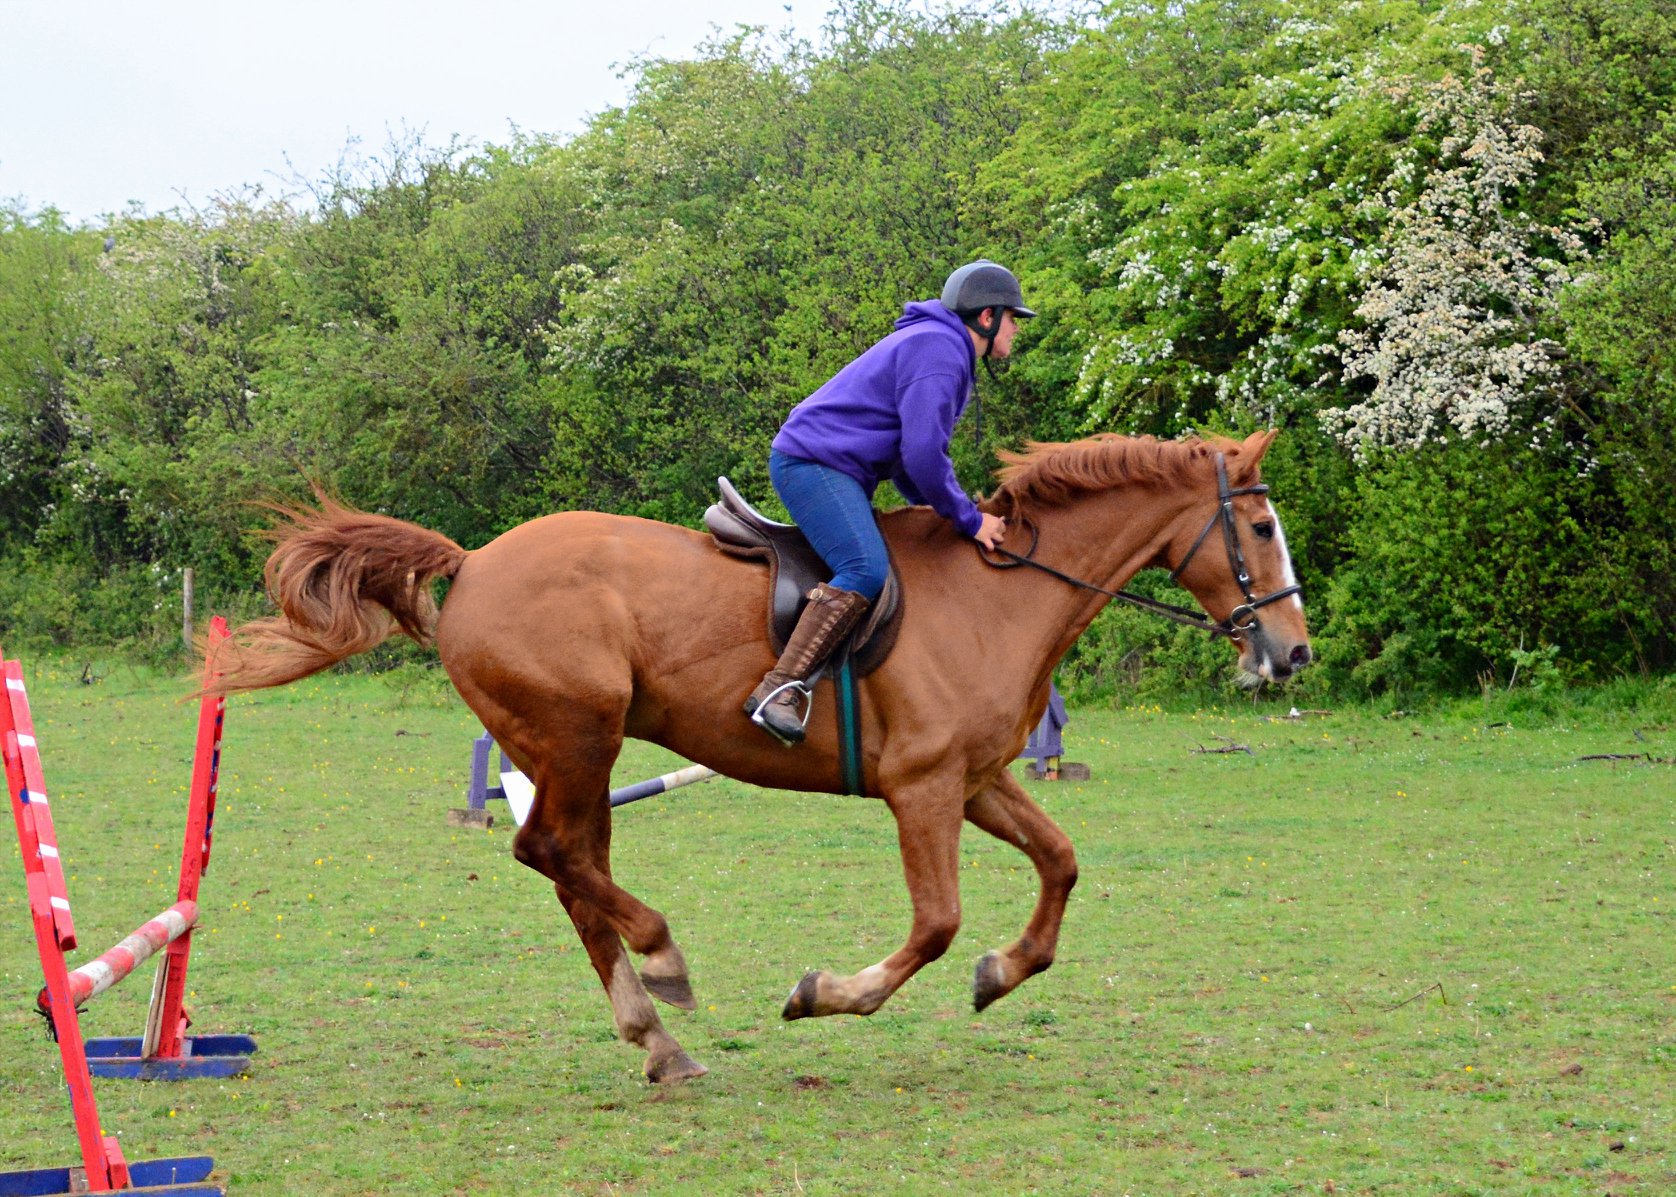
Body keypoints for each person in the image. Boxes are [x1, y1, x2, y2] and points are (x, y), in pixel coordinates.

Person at [743, 259, 1036, 744]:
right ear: (987, 317)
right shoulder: (941, 350)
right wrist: (968, 519)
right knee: (864, 569)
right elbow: (922, 454)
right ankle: (780, 689)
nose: (1015, 329)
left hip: (833, 467)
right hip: (813, 464)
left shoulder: (940, 346)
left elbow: (907, 461)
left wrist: (939, 511)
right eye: (1012, 318)